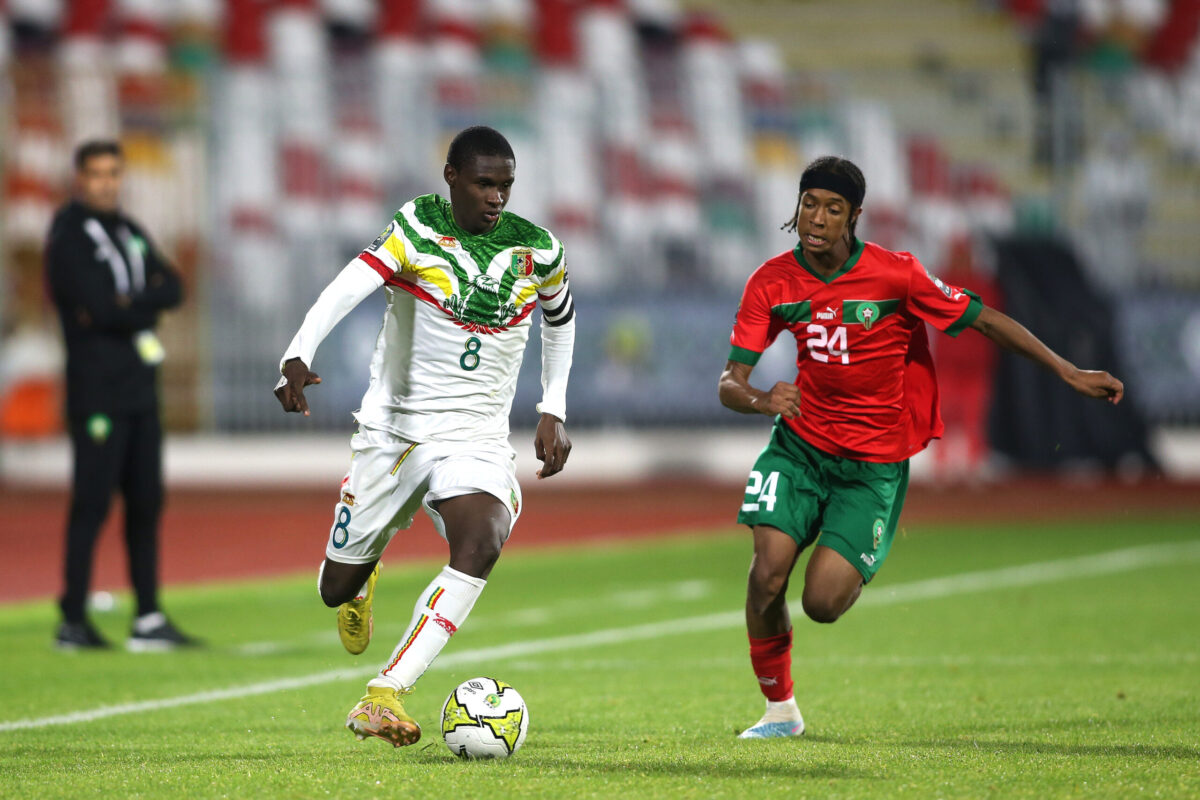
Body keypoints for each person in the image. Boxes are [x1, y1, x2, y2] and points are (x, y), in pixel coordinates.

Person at [718, 156, 1123, 738]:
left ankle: (855, 547)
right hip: (800, 448)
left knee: (822, 603)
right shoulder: (771, 281)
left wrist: (1066, 370)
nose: (818, 218)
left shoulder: (895, 275)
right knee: (766, 576)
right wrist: (760, 400)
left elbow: (983, 320)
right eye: (810, 204)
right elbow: (729, 381)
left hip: (872, 465)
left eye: (834, 209)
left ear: (855, 216)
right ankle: (780, 711)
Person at [273, 125, 575, 747]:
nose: (497, 198)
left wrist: (553, 406)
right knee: (336, 589)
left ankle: (384, 693)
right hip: (393, 430)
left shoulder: (538, 250)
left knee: (483, 537)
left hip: (474, 437)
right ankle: (366, 570)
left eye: (506, 186)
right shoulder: (416, 227)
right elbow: (347, 286)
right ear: (452, 178)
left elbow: (561, 320)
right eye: (485, 183)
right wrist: (299, 352)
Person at [46, 139, 196, 651]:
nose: (107, 183)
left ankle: (148, 617)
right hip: (96, 391)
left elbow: (173, 285)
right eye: (97, 174)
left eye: (114, 173)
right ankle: (72, 619)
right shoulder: (69, 236)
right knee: (91, 501)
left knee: (147, 501)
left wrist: (130, 303)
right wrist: (139, 305)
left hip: (139, 389)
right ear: (79, 179)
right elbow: (98, 309)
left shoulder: (128, 229)